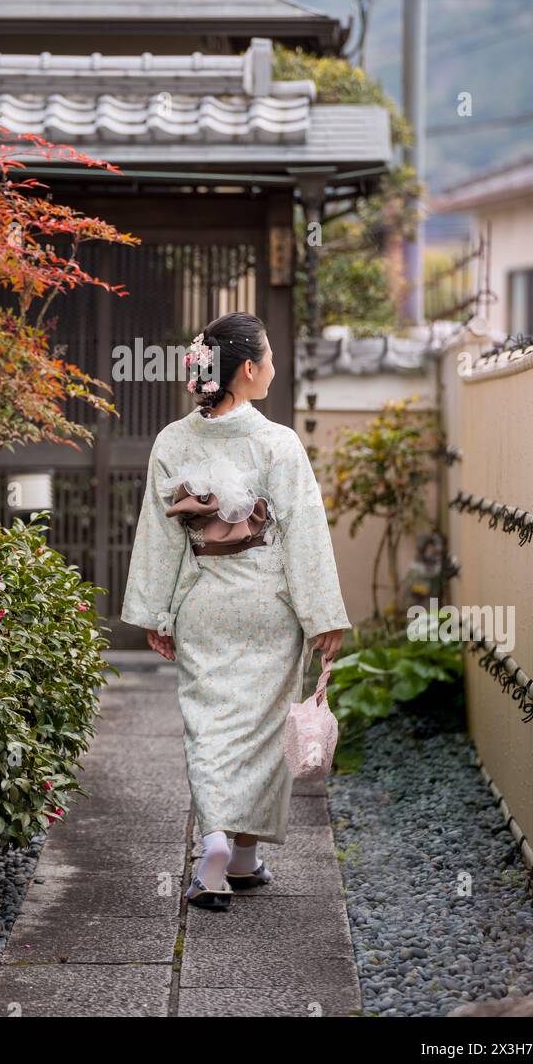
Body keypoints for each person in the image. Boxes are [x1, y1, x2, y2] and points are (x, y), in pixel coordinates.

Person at [120, 312, 350, 911]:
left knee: (211, 726)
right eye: (268, 358)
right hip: (269, 601)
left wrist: (154, 612)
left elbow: (158, 535)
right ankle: (238, 852)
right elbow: (303, 532)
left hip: (203, 598)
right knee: (263, 727)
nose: (272, 367)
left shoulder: (173, 441)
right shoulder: (277, 442)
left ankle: (225, 851)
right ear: (247, 370)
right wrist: (323, 614)